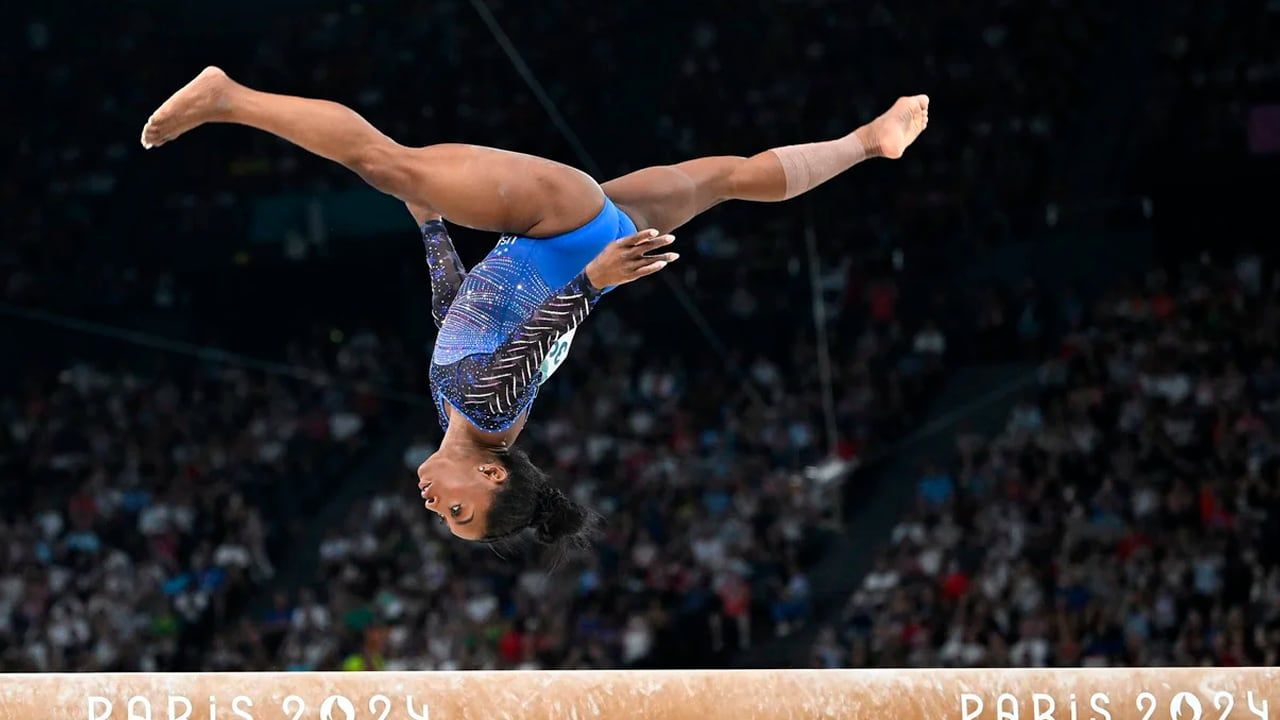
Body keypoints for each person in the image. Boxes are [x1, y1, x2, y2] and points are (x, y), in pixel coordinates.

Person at [141, 66, 930, 550]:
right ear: (490, 474)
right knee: (387, 160)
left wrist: (431, 230)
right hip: (565, 227)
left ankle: (868, 142)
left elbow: (461, 319)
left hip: (579, 232)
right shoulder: (491, 411)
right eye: (460, 510)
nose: (436, 508)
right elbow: (540, 332)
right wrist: (595, 278)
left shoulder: (457, 408)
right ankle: (228, 97)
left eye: (446, 518)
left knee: (729, 178)